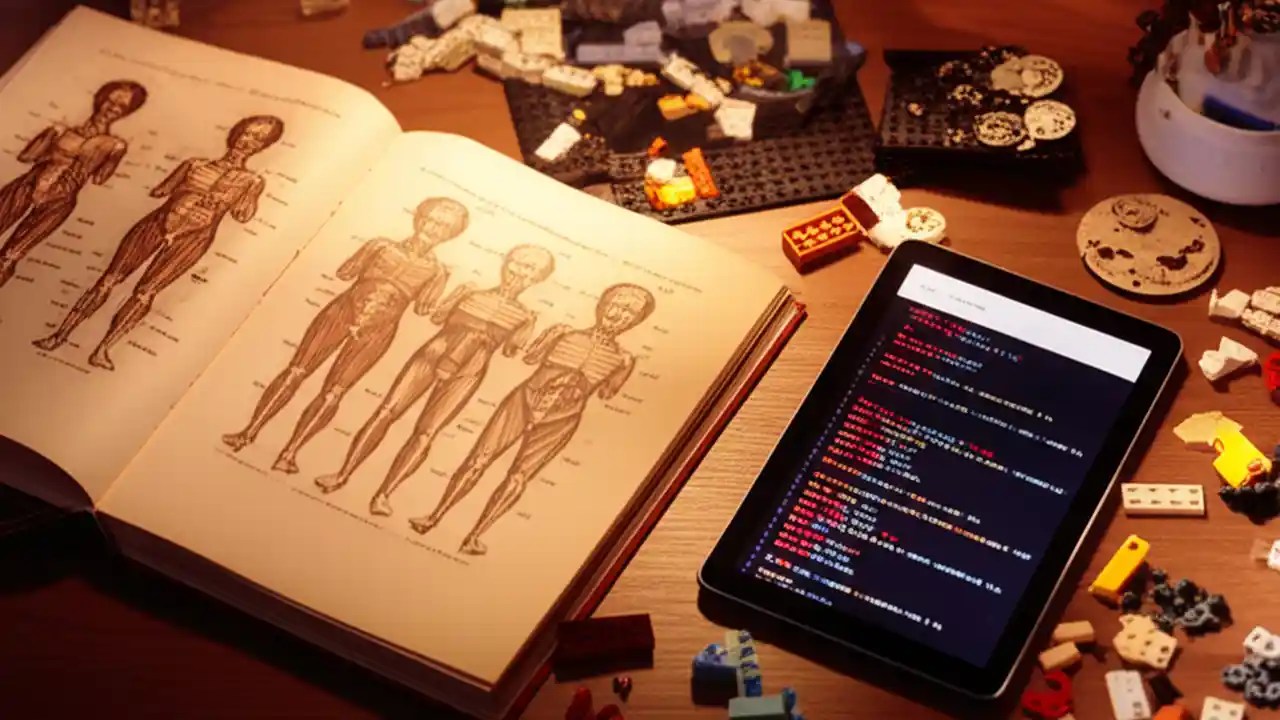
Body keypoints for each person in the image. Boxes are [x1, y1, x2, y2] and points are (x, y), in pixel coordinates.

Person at [221, 197, 469, 474]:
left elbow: (424, 309)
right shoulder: (380, 245)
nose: (433, 228)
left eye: (444, 227)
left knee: (334, 392)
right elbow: (345, 272)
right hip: (341, 312)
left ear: (451, 235)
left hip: (380, 330)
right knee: (296, 371)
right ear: (418, 216)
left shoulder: (437, 271)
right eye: (431, 218)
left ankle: (289, 453)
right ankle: (249, 432)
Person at [408, 283, 655, 556]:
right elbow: (531, 358)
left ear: (636, 321)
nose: (618, 314)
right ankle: (434, 516)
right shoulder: (563, 332)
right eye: (616, 304)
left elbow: (607, 392)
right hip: (523, 401)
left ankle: (474, 536)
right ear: (602, 304)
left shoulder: (624, 360)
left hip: (563, 419)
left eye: (629, 312)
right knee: (478, 459)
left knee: (519, 477)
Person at [314, 244, 555, 516]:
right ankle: (343, 473)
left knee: (427, 432)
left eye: (530, 269)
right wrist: (458, 297)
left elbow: (512, 351)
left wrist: (526, 328)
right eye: (516, 263)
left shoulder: (525, 316)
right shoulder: (470, 291)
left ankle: (384, 494)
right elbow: (438, 316)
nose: (519, 273)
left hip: (470, 370)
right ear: (505, 262)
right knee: (386, 411)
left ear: (538, 279)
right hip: (433, 353)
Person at [34, 114, 284, 370]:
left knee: (145, 293)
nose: (248, 141)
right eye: (247, 133)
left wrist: (237, 196)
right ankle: (60, 335)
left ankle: (104, 348)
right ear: (236, 132)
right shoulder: (195, 163)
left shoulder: (252, 181)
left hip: (193, 238)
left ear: (263, 147)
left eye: (258, 139)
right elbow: (160, 191)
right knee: (108, 280)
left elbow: (243, 216)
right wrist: (191, 188)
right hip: (156, 223)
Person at [0, 80, 148, 287]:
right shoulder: (62, 129)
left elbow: (100, 179)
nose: (112, 108)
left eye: (121, 107)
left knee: (9, 258)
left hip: (60, 201)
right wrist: (49, 135)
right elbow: (26, 157)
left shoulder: (115, 145)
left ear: (126, 113)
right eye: (110, 101)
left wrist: (112, 156)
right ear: (100, 99)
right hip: (27, 185)